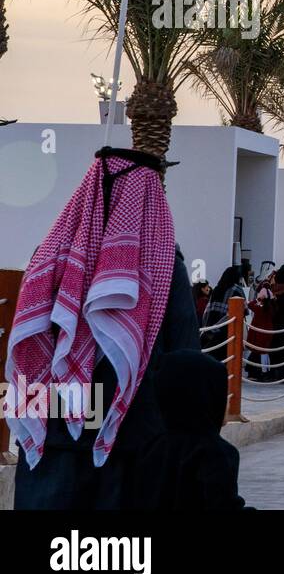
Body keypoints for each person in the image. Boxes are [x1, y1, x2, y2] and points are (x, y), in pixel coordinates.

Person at [9, 148, 201, 510]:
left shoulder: (50, 254)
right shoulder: (161, 265)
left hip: (54, 426)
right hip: (127, 432)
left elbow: (28, 340)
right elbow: (185, 354)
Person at [137, 349, 247, 510]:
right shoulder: (216, 452)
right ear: (207, 396)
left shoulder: (151, 447)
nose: (228, 403)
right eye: (223, 394)